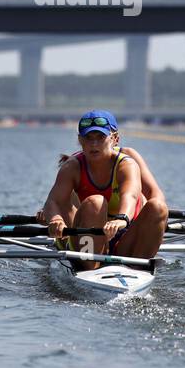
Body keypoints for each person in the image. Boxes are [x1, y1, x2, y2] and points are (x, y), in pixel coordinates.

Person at [37, 109, 168, 263]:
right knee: (95, 202)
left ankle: (136, 267)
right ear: (80, 140)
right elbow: (53, 201)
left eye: (100, 137)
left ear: (115, 139)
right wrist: (55, 218)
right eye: (88, 138)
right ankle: (88, 264)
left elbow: (131, 195)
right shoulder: (72, 166)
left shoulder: (127, 162)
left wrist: (131, 219)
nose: (94, 144)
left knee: (158, 207)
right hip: (89, 233)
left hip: (123, 231)